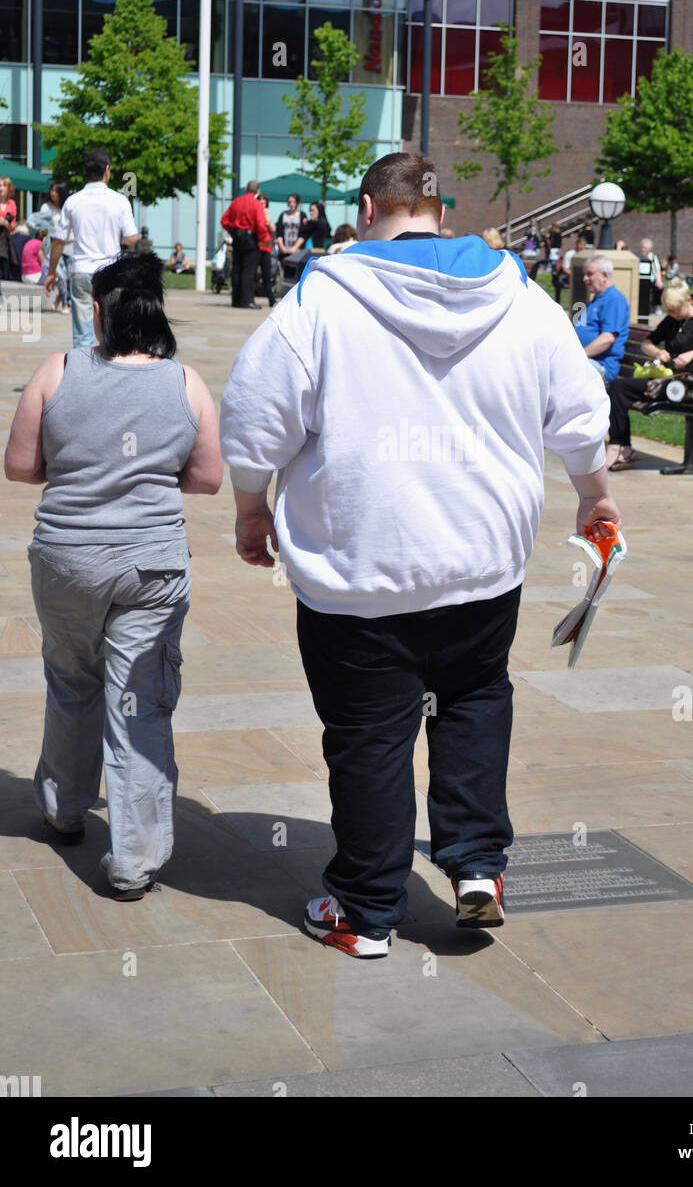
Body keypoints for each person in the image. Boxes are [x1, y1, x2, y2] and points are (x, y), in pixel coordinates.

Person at [219, 151, 618, 960]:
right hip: (480, 564)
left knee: (368, 735)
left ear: (368, 210)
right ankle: (476, 866)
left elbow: (256, 418)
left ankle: (366, 909)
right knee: (473, 702)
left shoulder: (319, 302)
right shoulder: (518, 296)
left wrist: (251, 507)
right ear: (441, 210)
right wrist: (591, 492)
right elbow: (579, 409)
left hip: (362, 569)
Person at [4, 252, 222, 898]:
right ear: (157, 307)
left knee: (72, 682)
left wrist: (79, 469)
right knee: (139, 703)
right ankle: (135, 860)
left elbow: (19, 467)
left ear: (96, 310)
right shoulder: (185, 382)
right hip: (151, 563)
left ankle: (64, 808)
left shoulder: (57, 370)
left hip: (68, 559)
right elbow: (207, 479)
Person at [605, 276, 693, 470]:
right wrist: (658, 352)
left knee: (619, 389)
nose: (672, 314)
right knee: (618, 388)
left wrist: (690, 355)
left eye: (675, 310)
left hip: (689, 385)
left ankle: (619, 446)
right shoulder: (672, 320)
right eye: (669, 311)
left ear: (688, 301)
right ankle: (621, 445)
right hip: (670, 381)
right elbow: (647, 343)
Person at [45, 149, 139, 349]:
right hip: (110, 270)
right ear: (107, 170)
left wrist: (52, 273)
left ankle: (82, 374)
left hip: (81, 269)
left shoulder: (73, 201)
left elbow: (58, 241)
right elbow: (132, 238)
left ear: (84, 171)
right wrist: (115, 235)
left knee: (82, 332)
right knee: (112, 327)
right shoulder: (120, 200)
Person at [573, 254, 630, 382]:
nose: (584, 278)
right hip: (586, 361)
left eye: (590, 274)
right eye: (584, 274)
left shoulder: (614, 299)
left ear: (604, 275)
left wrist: (578, 355)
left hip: (602, 365)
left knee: (560, 368)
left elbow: (608, 339)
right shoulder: (594, 301)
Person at [220, 181, 270, 309]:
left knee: (237, 268)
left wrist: (232, 230)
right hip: (250, 239)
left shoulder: (236, 202)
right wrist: (263, 238)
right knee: (249, 270)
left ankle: (236, 300)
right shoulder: (256, 204)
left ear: (246, 188)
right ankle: (247, 301)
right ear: (257, 191)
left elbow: (224, 220)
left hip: (237, 238)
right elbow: (260, 224)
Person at [29, 181, 72, 312]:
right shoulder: (46, 207)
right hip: (54, 246)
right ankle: (65, 304)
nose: (52, 193)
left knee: (71, 276)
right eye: (51, 190)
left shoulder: (69, 206)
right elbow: (39, 226)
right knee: (60, 276)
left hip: (70, 245)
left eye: (56, 191)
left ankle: (61, 298)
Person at [274, 194, 306, 272]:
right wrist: (282, 247)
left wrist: (295, 248)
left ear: (297, 203)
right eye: (290, 202)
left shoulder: (302, 215)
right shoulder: (283, 215)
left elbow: (303, 234)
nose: (292, 204)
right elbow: (279, 233)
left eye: (294, 202)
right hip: (284, 251)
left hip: (297, 251)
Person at [255, 192, 277, 307]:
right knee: (253, 274)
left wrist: (266, 215)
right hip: (256, 246)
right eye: (260, 202)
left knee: (267, 275)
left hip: (266, 246)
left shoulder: (266, 214)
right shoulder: (255, 213)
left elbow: (272, 228)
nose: (262, 205)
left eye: (264, 203)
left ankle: (272, 300)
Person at [0, 176, 19, 281]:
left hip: (6, 241)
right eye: (0, 186)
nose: (1, 188)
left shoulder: (12, 204)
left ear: (9, 188)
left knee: (6, 270)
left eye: (4, 186)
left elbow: (13, 227)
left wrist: (5, 223)